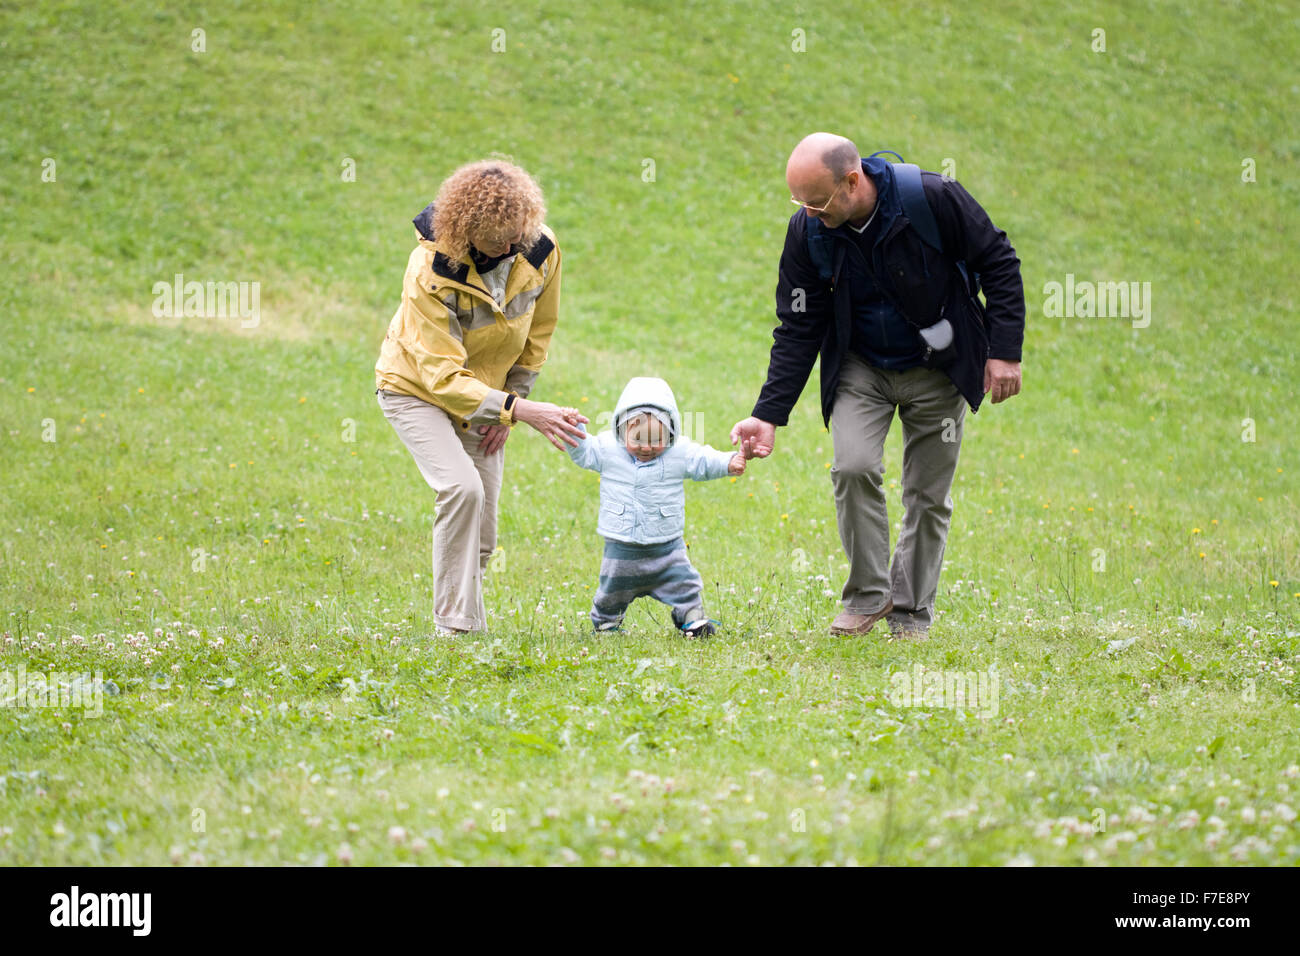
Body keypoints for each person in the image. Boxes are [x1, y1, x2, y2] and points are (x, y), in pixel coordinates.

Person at [730, 133, 1025, 640]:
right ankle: (869, 596)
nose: (808, 213)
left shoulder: (932, 197)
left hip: (938, 366)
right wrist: (768, 413)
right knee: (852, 466)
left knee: (927, 496)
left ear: (852, 181)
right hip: (860, 368)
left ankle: (910, 612)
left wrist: (1004, 352)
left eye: (816, 201)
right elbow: (798, 326)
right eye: (798, 202)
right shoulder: (808, 231)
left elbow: (998, 262)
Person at [374, 159, 587, 636]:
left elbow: (540, 332)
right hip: (415, 389)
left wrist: (510, 401)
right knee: (461, 490)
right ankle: (454, 634)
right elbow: (442, 376)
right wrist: (521, 412)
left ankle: (469, 630)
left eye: (518, 235)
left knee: (484, 537)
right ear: (467, 231)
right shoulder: (431, 269)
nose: (511, 248)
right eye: (498, 241)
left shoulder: (540, 247)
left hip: (489, 396)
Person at [564, 377, 749, 637]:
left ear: (670, 433)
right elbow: (585, 453)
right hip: (622, 545)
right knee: (612, 588)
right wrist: (575, 430)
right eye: (638, 439)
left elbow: (702, 460)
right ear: (622, 429)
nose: (647, 447)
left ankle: (691, 618)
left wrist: (729, 462)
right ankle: (606, 623)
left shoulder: (679, 452)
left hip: (667, 545)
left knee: (685, 583)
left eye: (656, 439)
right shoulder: (607, 449)